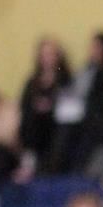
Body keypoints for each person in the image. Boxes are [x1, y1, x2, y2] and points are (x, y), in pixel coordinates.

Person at [51, 32, 103, 175]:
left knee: (92, 117)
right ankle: (58, 166)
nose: (93, 51)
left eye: (97, 47)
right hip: (89, 119)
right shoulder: (88, 71)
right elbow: (76, 94)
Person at [17, 37, 72, 171]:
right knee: (30, 118)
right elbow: (24, 105)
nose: (47, 58)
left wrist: (51, 106)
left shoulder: (66, 78)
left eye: (51, 54)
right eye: (44, 55)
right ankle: (29, 159)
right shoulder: (32, 81)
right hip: (36, 123)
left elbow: (71, 105)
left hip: (57, 121)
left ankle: (52, 163)